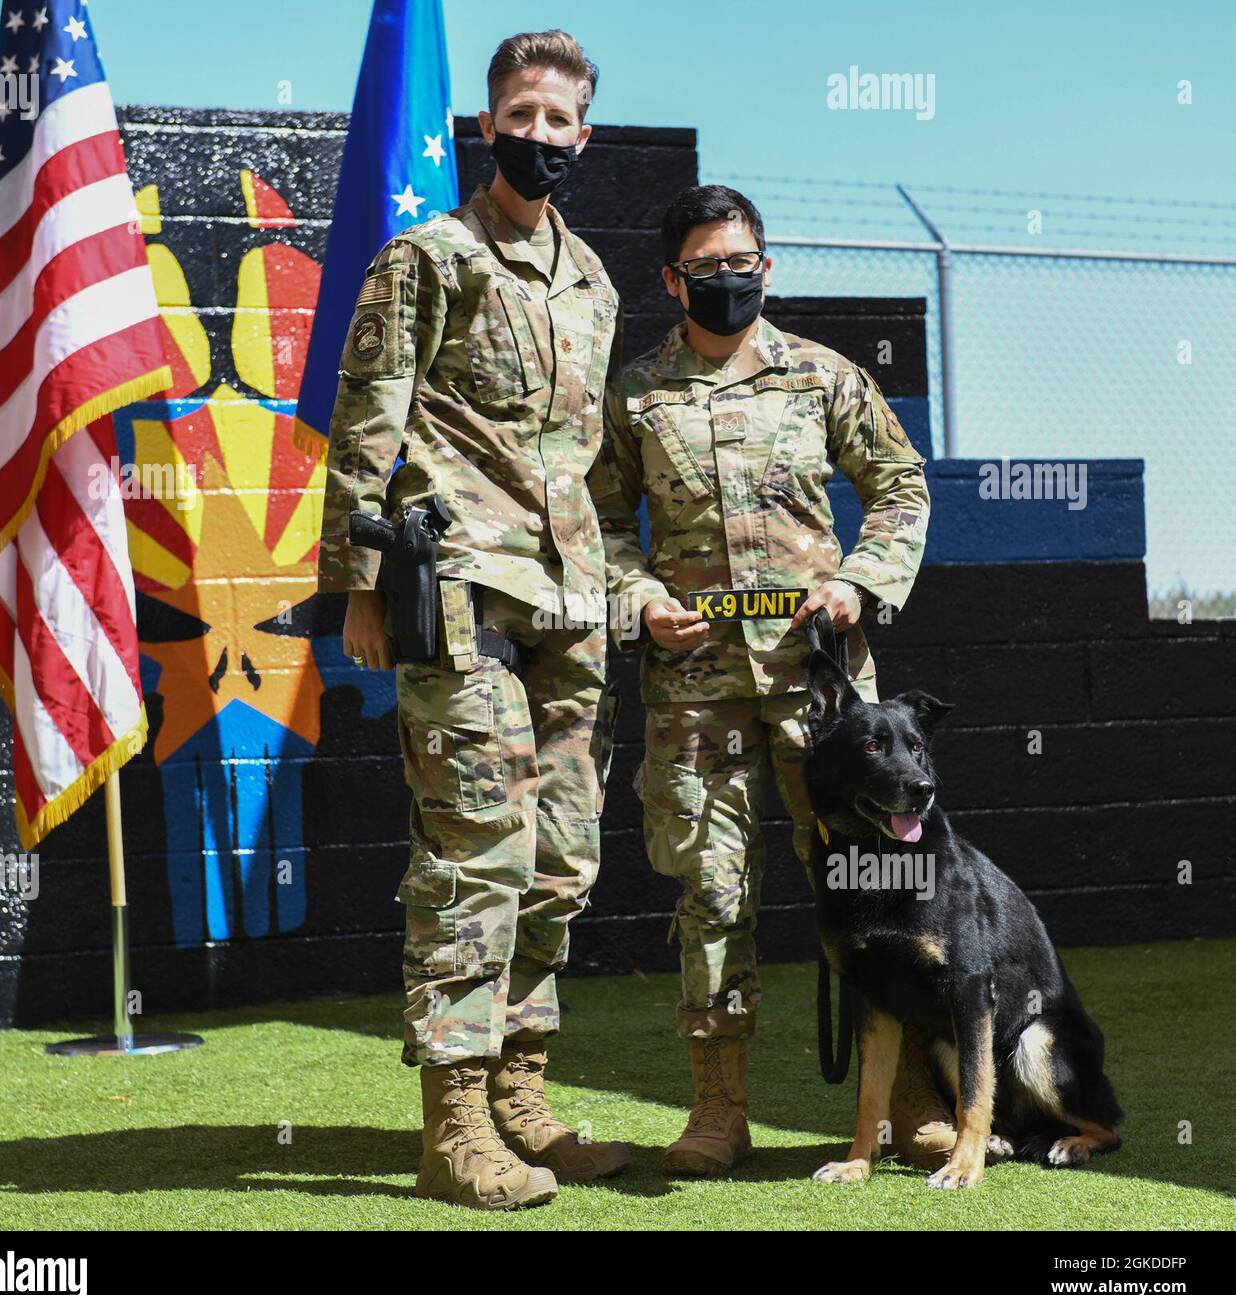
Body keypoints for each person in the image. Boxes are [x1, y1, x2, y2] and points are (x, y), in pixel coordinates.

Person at [318, 29, 628, 1211]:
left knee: (563, 858)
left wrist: (617, 582)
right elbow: (368, 419)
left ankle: (519, 1092)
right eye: (521, 113)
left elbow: (588, 457)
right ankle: (452, 1121)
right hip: (455, 598)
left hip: (571, 602)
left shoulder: (594, 281)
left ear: (583, 135)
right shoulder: (427, 258)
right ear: (484, 123)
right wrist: (358, 585)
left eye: (560, 119)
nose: (539, 135)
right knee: (474, 854)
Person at [587, 184, 931, 1176]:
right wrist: (639, 593)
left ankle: (905, 1096)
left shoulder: (822, 376)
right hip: (692, 689)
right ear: (671, 277)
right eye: (706, 267)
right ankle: (717, 1107)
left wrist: (862, 582)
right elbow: (598, 522)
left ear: (766, 269)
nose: (726, 280)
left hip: (822, 692)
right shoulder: (636, 393)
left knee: (872, 883)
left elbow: (899, 483)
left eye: (741, 264)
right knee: (710, 889)